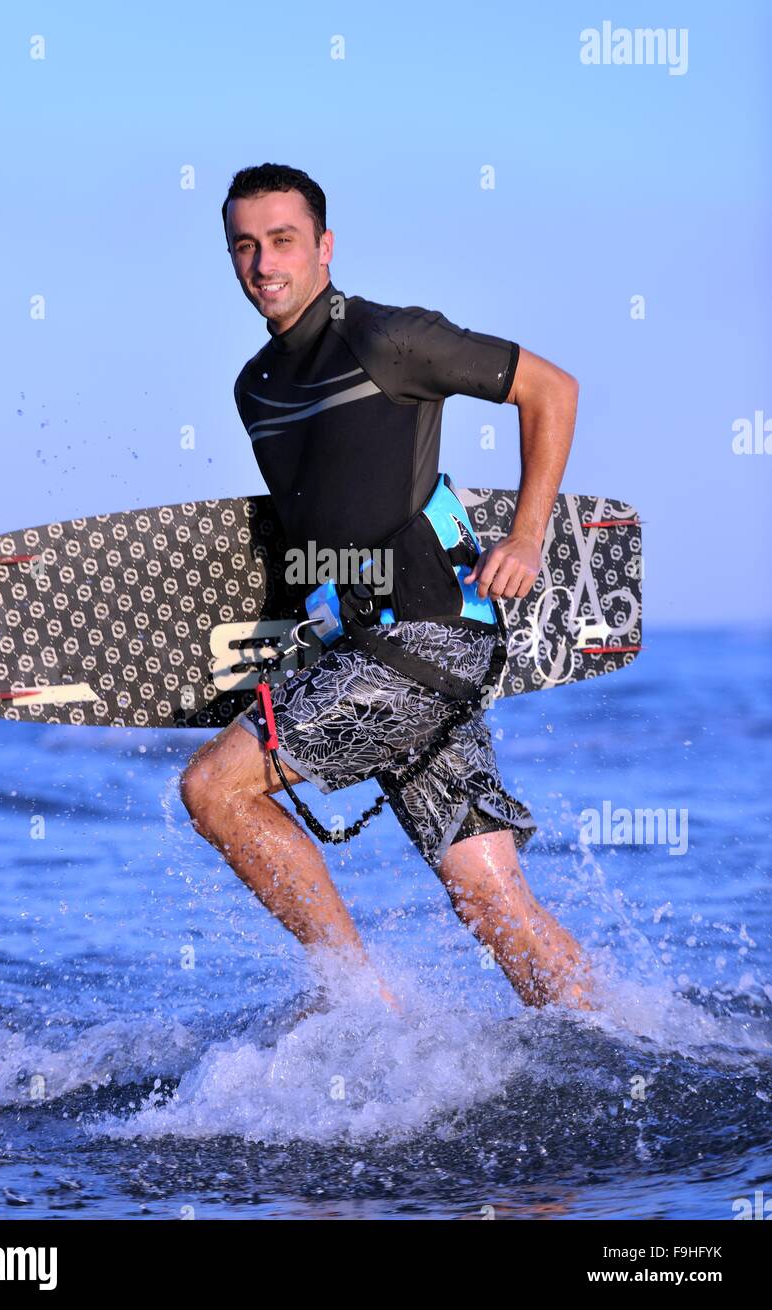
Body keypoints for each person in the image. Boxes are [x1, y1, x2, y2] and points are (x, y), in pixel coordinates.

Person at [181, 162, 593, 1011]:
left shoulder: (386, 338)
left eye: (284, 241)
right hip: (373, 652)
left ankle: (364, 1009)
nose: (264, 264)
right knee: (488, 893)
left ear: (324, 247)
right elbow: (326, 525)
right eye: (245, 246)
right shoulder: (253, 388)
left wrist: (525, 535)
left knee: (214, 789)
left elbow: (551, 389)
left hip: (431, 634)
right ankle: (614, 1044)